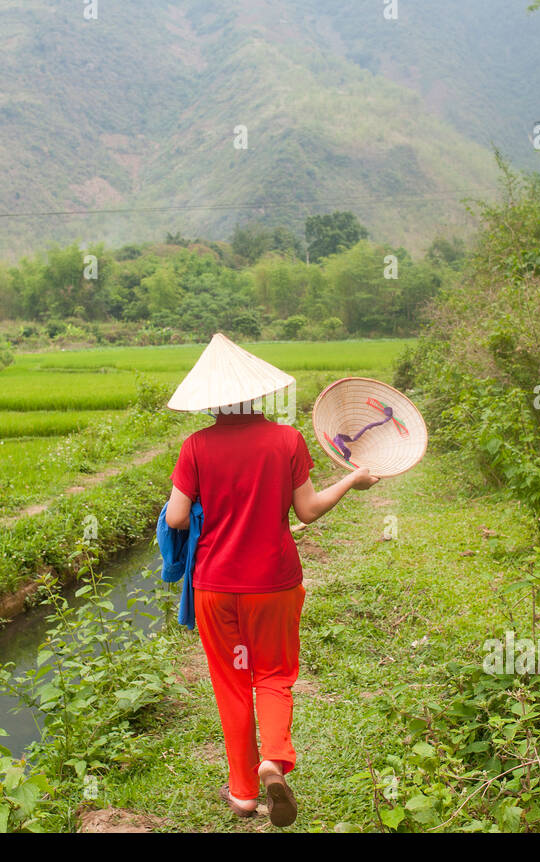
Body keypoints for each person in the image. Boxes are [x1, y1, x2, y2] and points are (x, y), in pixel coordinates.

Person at [162, 334, 379, 827]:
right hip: (275, 584)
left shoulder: (194, 446)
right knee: (275, 676)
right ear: (258, 394)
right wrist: (351, 479)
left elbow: (176, 520)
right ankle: (273, 762)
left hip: (215, 588)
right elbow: (308, 510)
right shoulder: (286, 440)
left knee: (232, 683)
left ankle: (242, 793)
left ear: (211, 399)